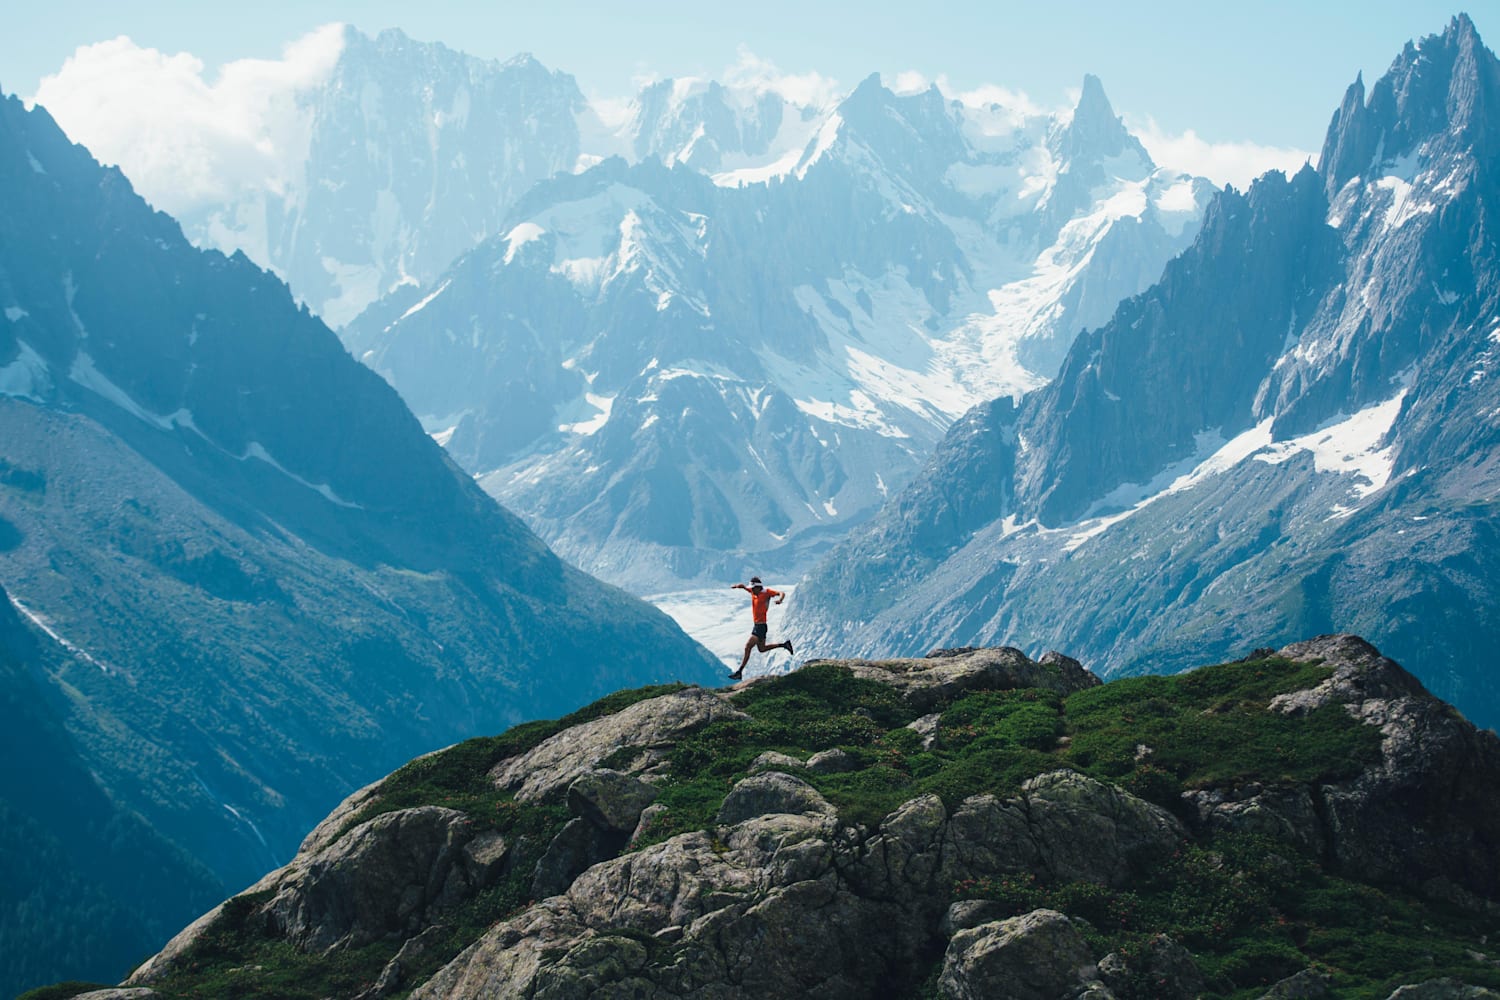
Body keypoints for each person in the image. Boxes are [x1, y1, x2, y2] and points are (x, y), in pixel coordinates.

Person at [728, 576, 793, 681]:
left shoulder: (766, 592)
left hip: (760, 626)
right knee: (761, 649)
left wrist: (780, 600)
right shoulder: (754, 592)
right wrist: (741, 587)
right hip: (758, 625)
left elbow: (781, 593)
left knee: (747, 646)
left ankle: (739, 672)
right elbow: (748, 589)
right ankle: (784, 644)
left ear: (758, 587)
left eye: (753, 588)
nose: (752, 590)